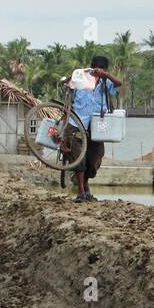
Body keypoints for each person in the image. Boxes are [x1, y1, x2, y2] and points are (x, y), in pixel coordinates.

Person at [68, 54, 122, 202]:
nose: (98, 73)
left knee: (94, 159)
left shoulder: (106, 82)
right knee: (78, 157)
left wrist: (106, 75)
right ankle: (81, 192)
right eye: (96, 69)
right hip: (77, 123)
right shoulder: (81, 77)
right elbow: (69, 87)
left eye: (102, 70)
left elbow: (119, 84)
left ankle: (85, 183)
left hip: (97, 125)